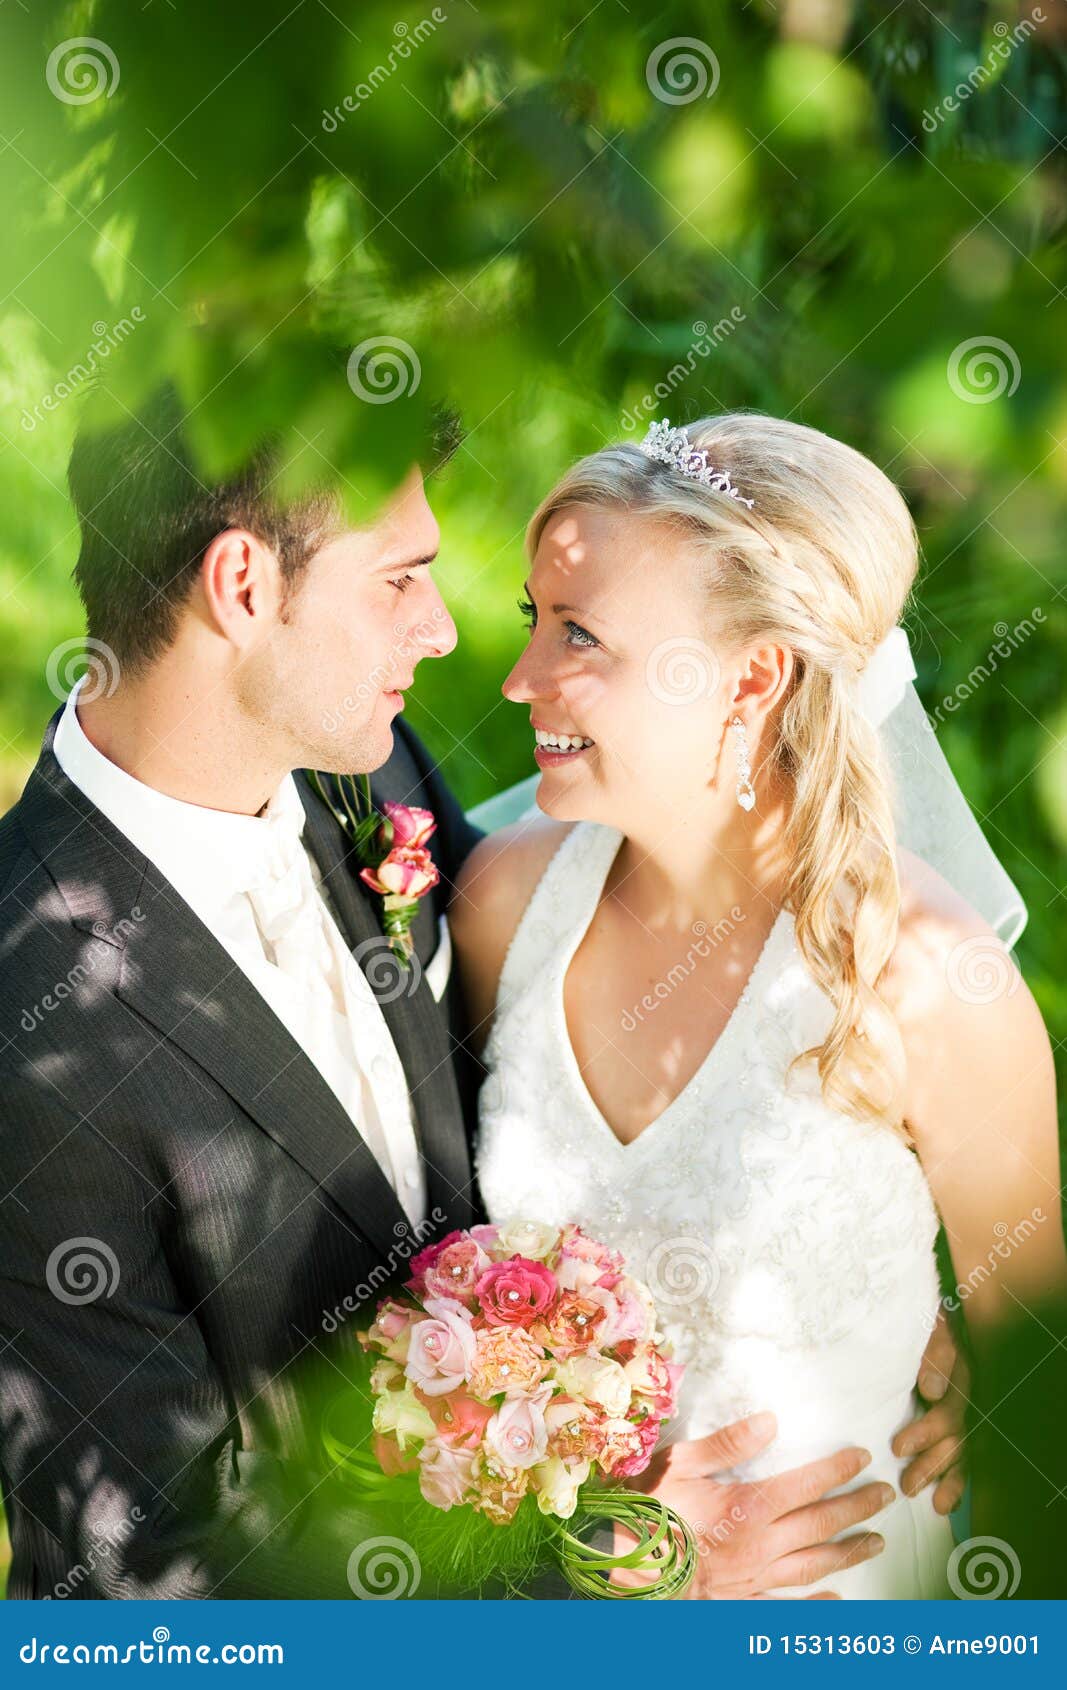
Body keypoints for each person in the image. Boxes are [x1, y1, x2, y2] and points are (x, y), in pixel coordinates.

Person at [0, 389, 966, 1600]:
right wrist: (615, 1571)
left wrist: (869, 1298)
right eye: (397, 579)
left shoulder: (367, 764)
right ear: (242, 586)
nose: (447, 635)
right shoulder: (31, 1025)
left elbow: (553, 1031)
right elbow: (144, 1579)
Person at [453, 413, 1065, 1597]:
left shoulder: (924, 983)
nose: (520, 677)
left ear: (750, 676)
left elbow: (1036, 1378)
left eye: (578, 635)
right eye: (535, 617)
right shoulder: (503, 905)